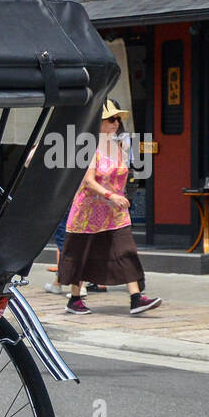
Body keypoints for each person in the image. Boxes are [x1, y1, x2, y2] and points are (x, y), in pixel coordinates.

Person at [59, 100, 162, 315]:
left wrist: (121, 197)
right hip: (88, 211)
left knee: (125, 250)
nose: (116, 123)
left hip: (114, 212)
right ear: (98, 121)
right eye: (111, 119)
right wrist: (111, 196)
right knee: (81, 253)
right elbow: (88, 181)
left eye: (118, 119)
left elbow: (123, 176)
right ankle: (75, 298)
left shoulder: (121, 146)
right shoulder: (89, 146)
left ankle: (136, 298)